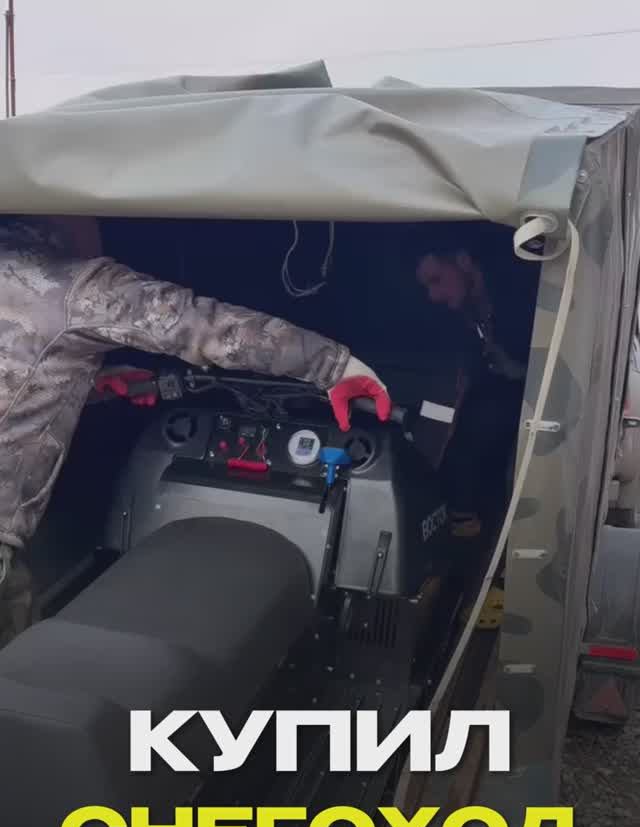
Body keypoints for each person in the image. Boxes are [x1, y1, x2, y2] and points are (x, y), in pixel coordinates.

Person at [0, 214, 390, 643]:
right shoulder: (74, 286)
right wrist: (333, 366)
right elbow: (205, 326)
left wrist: (86, 385)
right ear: (64, 213)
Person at [415, 223, 540, 537]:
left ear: (463, 261)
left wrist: (520, 371)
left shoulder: (523, 299)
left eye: (436, 280)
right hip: (476, 404)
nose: (433, 296)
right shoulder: (457, 315)